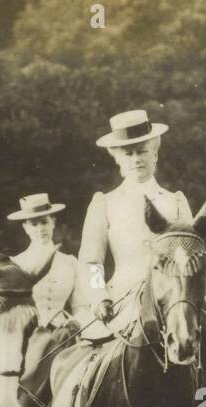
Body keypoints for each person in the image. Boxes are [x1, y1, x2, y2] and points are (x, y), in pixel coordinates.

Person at [78, 109, 192, 338]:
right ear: (118, 158)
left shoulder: (175, 201)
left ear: (155, 154)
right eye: (128, 154)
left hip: (173, 302)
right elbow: (91, 262)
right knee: (92, 365)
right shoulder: (105, 203)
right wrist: (99, 297)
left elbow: (190, 257)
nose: (136, 159)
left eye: (142, 151)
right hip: (121, 304)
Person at [8, 193, 85, 327]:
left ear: (53, 222)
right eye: (34, 224)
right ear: (25, 228)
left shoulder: (69, 262)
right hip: (30, 335)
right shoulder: (16, 263)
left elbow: (81, 306)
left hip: (65, 334)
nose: (40, 229)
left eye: (44, 222)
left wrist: (75, 324)